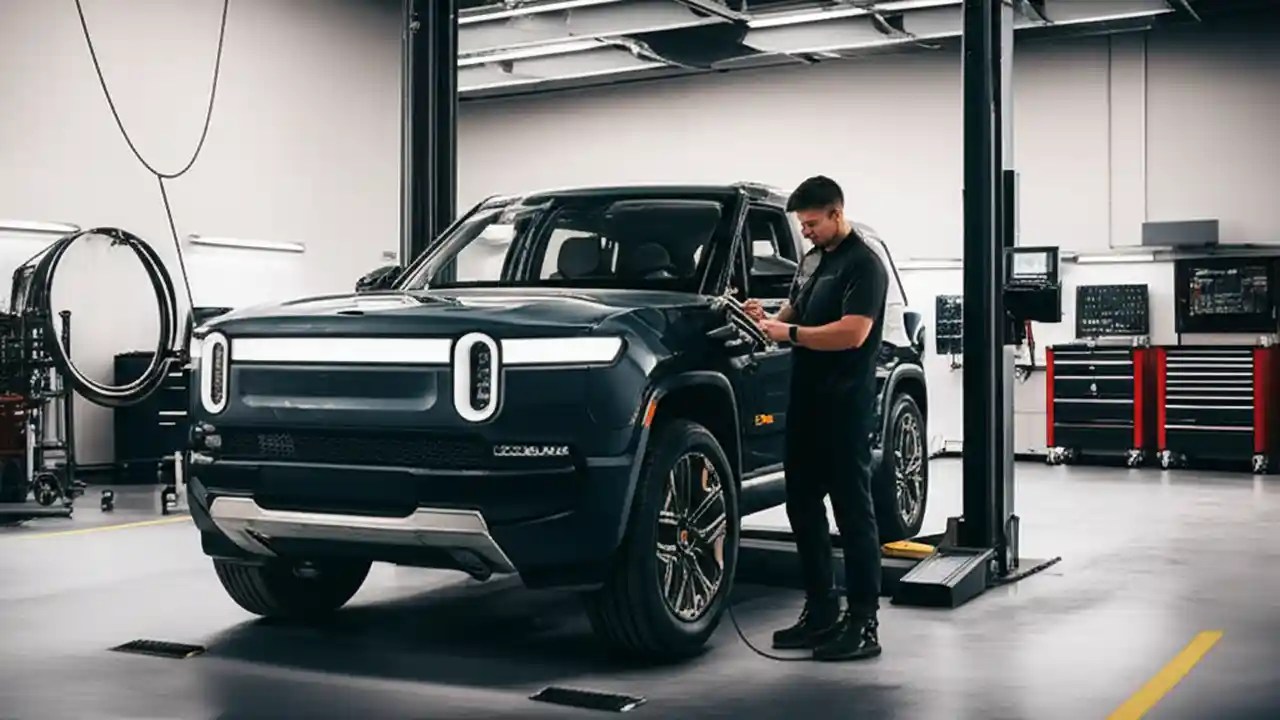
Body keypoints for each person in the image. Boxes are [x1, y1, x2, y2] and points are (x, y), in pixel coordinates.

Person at [744, 175, 888, 662]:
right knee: (802, 506)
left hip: (845, 405)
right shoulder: (810, 260)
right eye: (801, 225)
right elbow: (794, 308)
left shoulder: (864, 266)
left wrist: (791, 333)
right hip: (804, 401)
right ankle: (821, 611)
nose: (805, 232)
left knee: (853, 513)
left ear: (836, 213)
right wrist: (763, 320)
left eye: (811, 224)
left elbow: (852, 333)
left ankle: (863, 623)